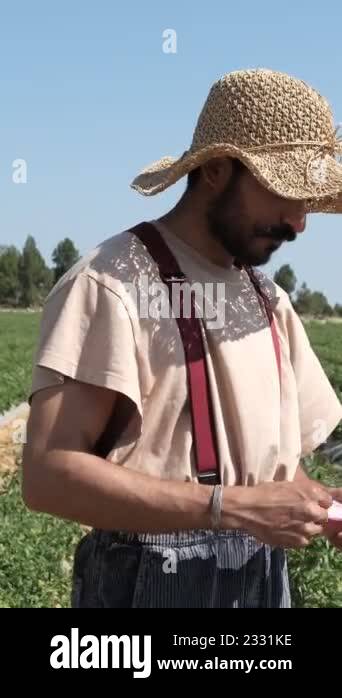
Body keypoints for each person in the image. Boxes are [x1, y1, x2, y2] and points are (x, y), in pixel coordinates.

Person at [22, 68, 342, 608]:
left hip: (264, 582)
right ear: (216, 170)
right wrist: (231, 508)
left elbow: (270, 468)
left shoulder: (268, 300)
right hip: (149, 585)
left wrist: (320, 504)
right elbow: (49, 477)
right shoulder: (113, 285)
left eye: (309, 201)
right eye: (285, 193)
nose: (298, 223)